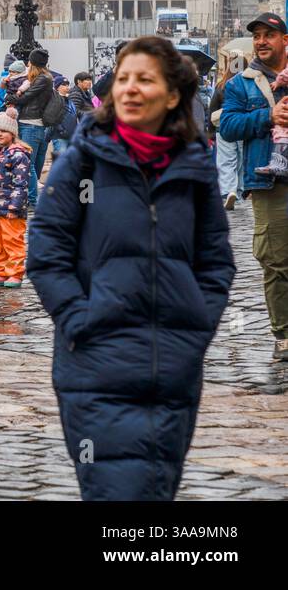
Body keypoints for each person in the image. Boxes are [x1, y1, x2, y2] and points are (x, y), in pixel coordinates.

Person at [28, 35, 235, 500]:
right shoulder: (83, 159)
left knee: (156, 490)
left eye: (145, 79)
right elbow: (46, 251)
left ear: (174, 94)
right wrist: (80, 320)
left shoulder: (195, 165)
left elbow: (216, 261)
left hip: (173, 367)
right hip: (97, 364)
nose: (130, 89)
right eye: (123, 79)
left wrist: (195, 327)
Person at [219, 12, 288, 361]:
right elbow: (228, 126)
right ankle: (284, 334)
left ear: (284, 41)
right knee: (276, 260)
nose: (261, 41)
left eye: (269, 35)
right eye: (257, 36)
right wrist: (268, 117)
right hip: (269, 181)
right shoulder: (242, 84)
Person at [4, 47, 56, 210]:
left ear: (33, 63)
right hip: (35, 125)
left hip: (31, 124)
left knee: (28, 164)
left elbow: (26, 97)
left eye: (29, 61)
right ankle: (32, 198)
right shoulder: (43, 78)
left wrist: (10, 97)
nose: (27, 64)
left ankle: (32, 201)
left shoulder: (43, 78)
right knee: (34, 164)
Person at [0, 111, 31, 288]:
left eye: (4, 131)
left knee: (13, 241)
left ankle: (15, 274)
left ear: (13, 133)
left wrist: (14, 207)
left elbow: (21, 184)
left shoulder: (18, 155)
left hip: (12, 208)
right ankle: (1, 272)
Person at [208, 62, 242, 209]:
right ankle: (239, 190)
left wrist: (210, 131)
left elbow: (213, 108)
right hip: (242, 124)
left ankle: (229, 190)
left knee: (226, 161)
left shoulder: (222, 85)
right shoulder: (247, 84)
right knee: (241, 159)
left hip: (223, 125)